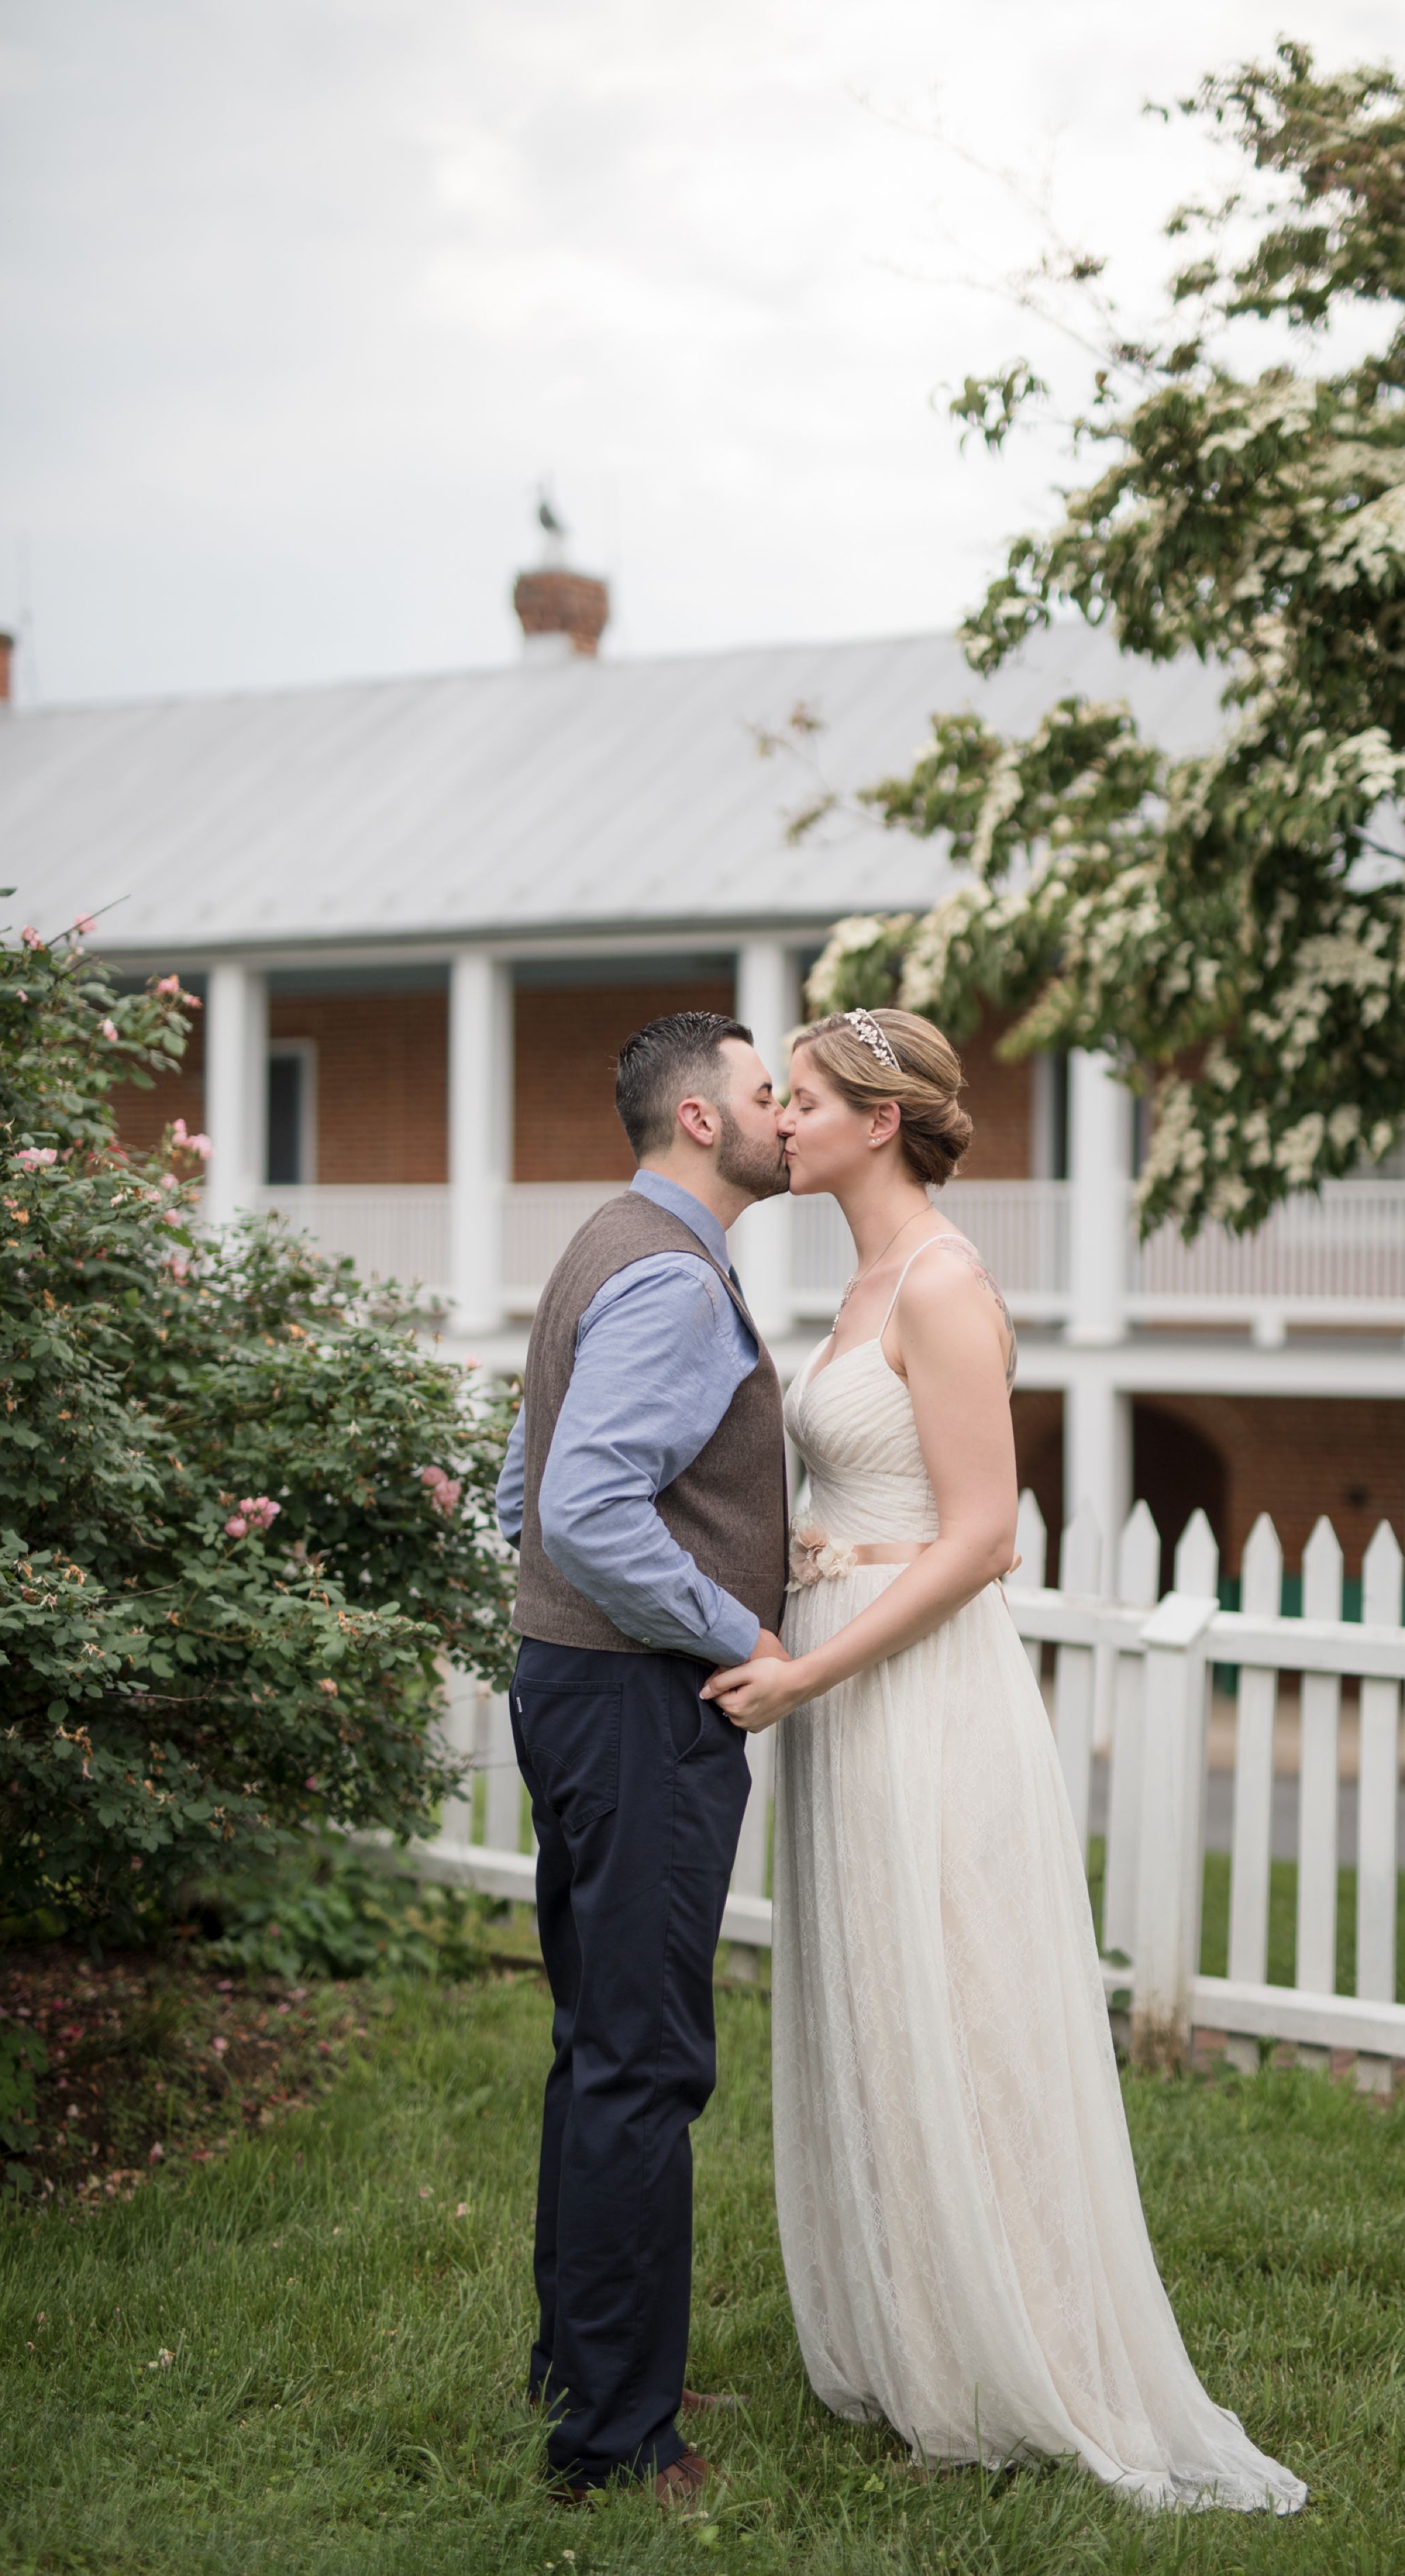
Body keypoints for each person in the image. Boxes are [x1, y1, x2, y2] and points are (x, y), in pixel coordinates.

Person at [701, 1006, 1306, 2511]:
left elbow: (983, 1539)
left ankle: (1015, 2349)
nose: (782, 1119)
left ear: (879, 1121)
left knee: (957, 2002)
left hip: (913, 1687)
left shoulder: (944, 1282)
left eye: (809, 1099)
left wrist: (807, 1668)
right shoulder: (855, 1282)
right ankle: (917, 2338)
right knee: (874, 2002)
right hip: (838, 1679)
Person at [495, 1010, 791, 2506]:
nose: (784, 1113)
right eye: (762, 1094)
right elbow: (583, 1507)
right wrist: (731, 1623)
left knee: (594, 2041)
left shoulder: (601, 1239)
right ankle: (615, 2441)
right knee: (642, 2062)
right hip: (636, 1707)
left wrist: (569, 1601)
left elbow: (519, 1483)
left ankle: (580, 2363)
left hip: (566, 1682)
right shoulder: (674, 1275)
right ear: (697, 1119)